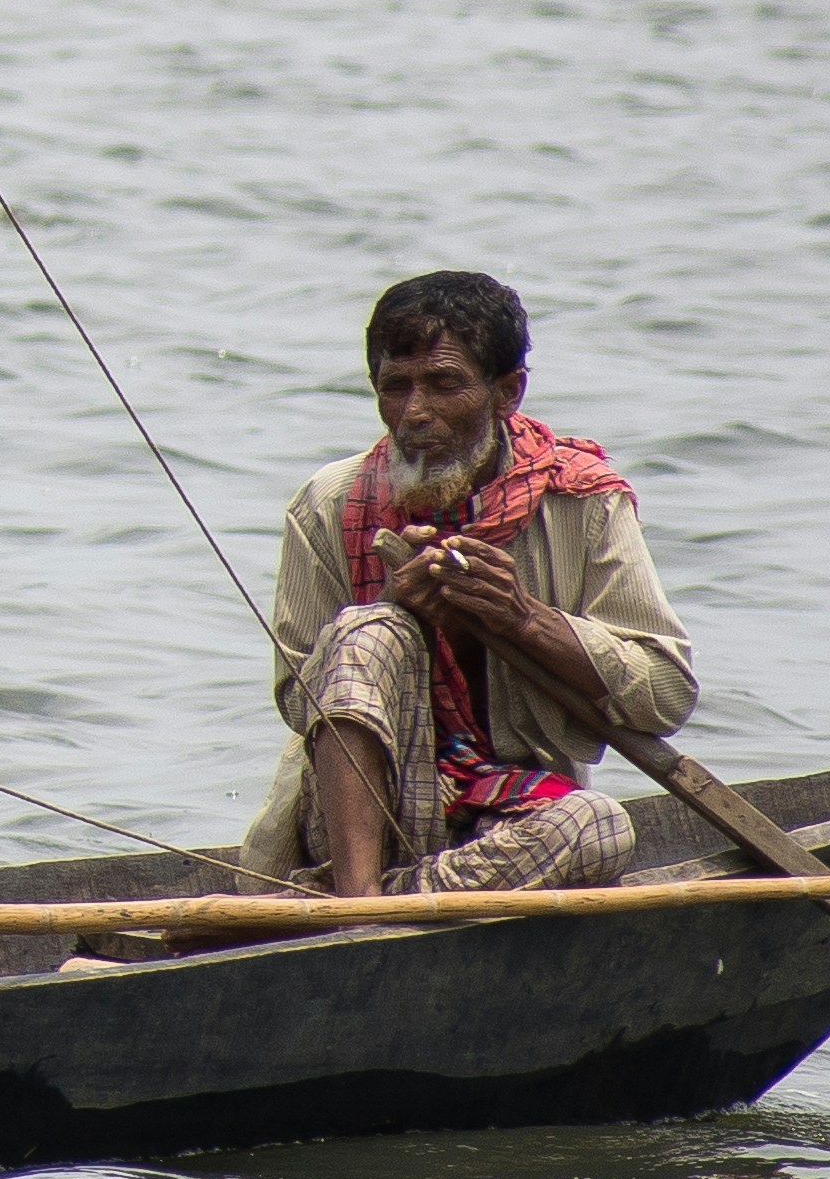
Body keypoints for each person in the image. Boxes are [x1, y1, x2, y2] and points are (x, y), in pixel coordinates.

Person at [244, 270, 696, 896]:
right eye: (395, 388)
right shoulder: (329, 503)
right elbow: (299, 701)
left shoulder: (581, 501)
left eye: (444, 384)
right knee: (370, 630)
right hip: (368, 819)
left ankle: (369, 904)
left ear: (506, 391)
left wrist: (522, 619)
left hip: (510, 815)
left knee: (600, 828)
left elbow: (665, 694)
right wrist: (393, 610)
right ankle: (356, 901)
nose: (416, 414)